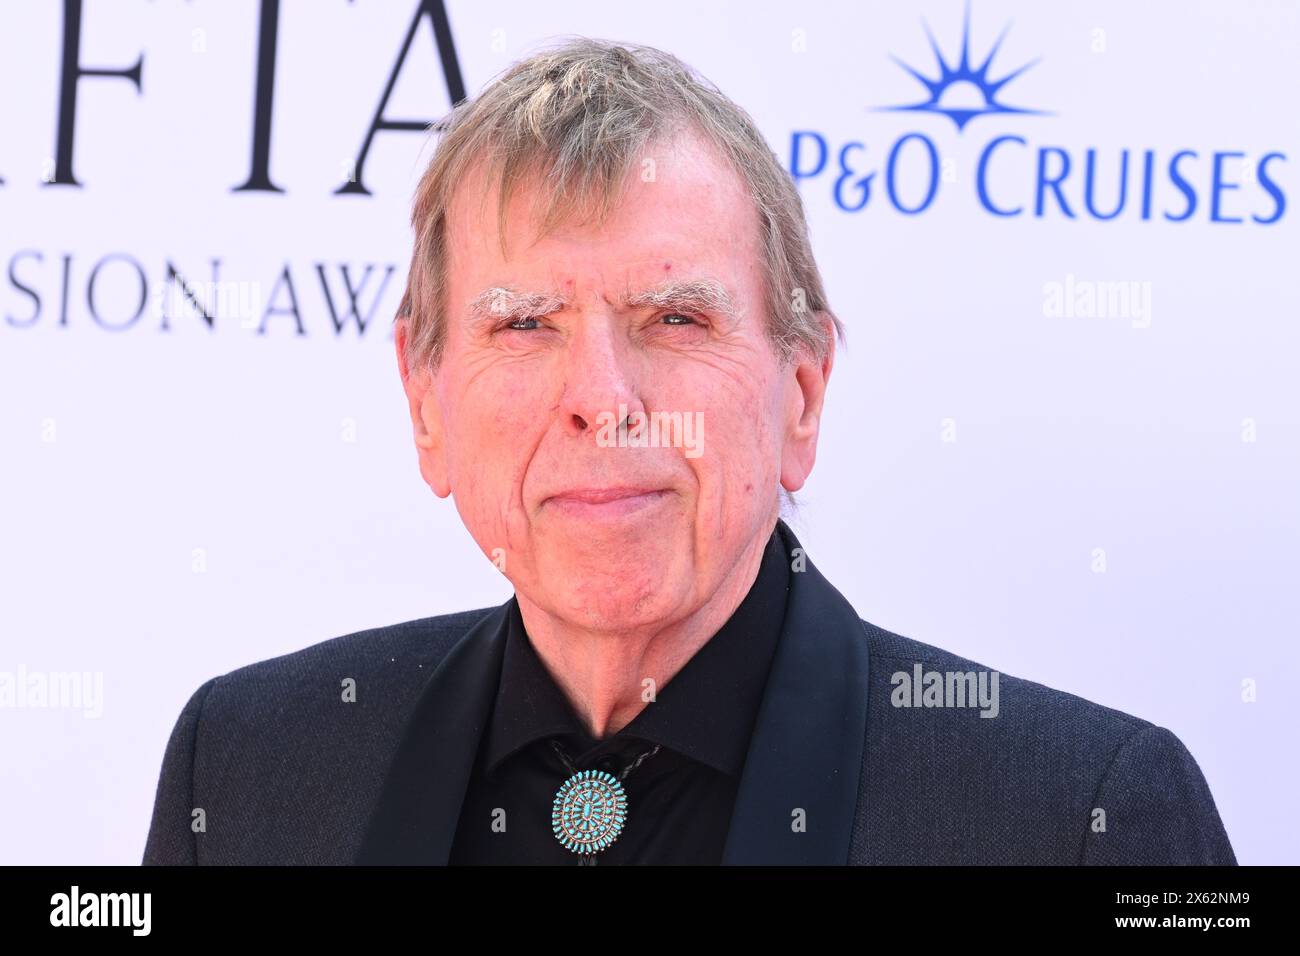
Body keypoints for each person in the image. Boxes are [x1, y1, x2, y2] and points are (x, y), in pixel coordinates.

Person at [142, 38, 1235, 865]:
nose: (603, 403)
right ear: (424, 401)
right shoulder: (243, 769)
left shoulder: (1089, 815)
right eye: (524, 323)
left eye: (674, 318)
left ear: (801, 396)